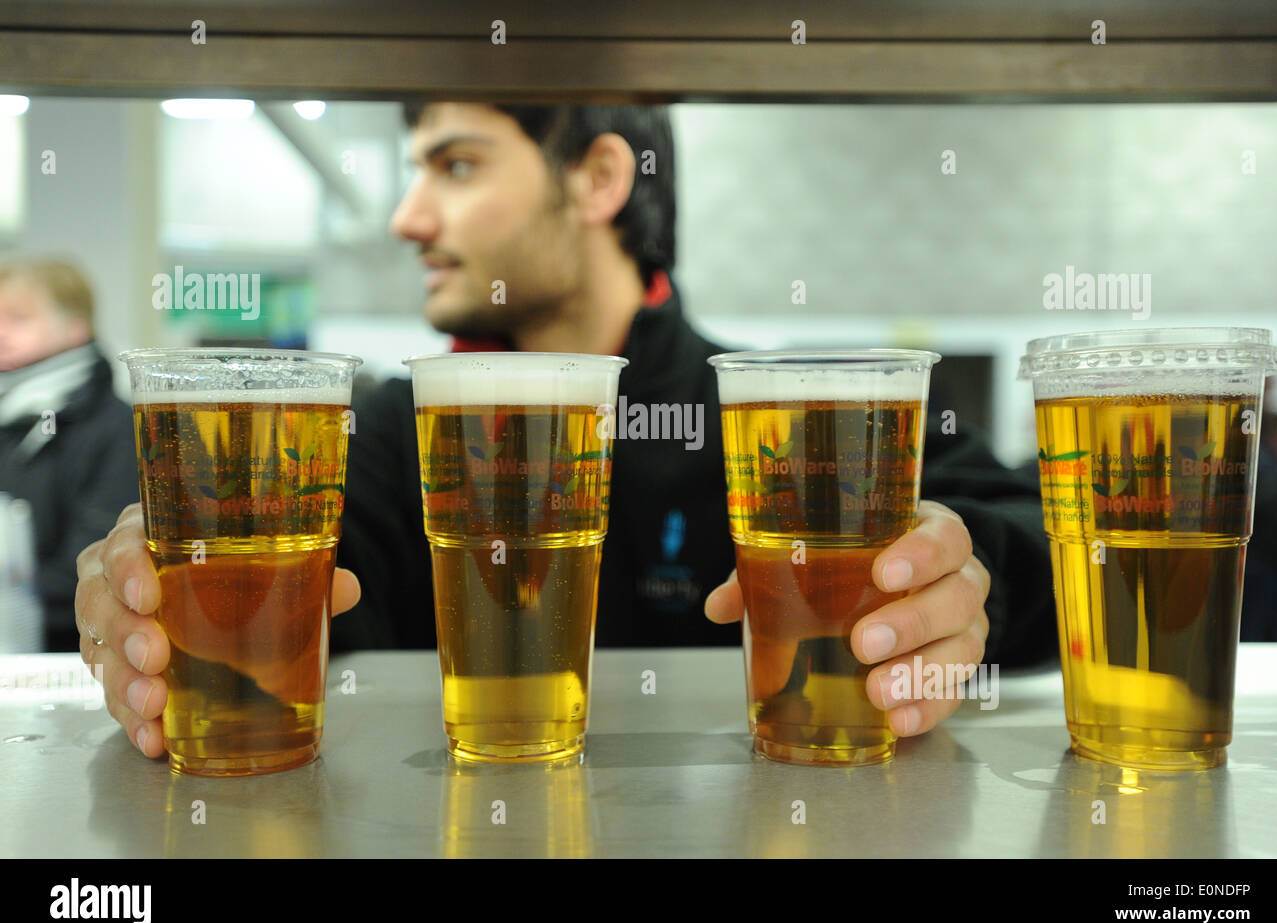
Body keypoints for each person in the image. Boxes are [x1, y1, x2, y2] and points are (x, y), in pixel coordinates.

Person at [73, 103, 1056, 760]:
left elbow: (1031, 528)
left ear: (598, 179)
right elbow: (312, 624)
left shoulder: (779, 414)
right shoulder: (378, 434)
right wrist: (149, 604)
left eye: (454, 164)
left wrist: (960, 588)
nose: (408, 216)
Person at [0, 258, 139, 651]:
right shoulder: (10, 422)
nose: (1, 331)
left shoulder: (117, 430)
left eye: (19, 318)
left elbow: (95, 565)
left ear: (76, 328)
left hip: (76, 660)